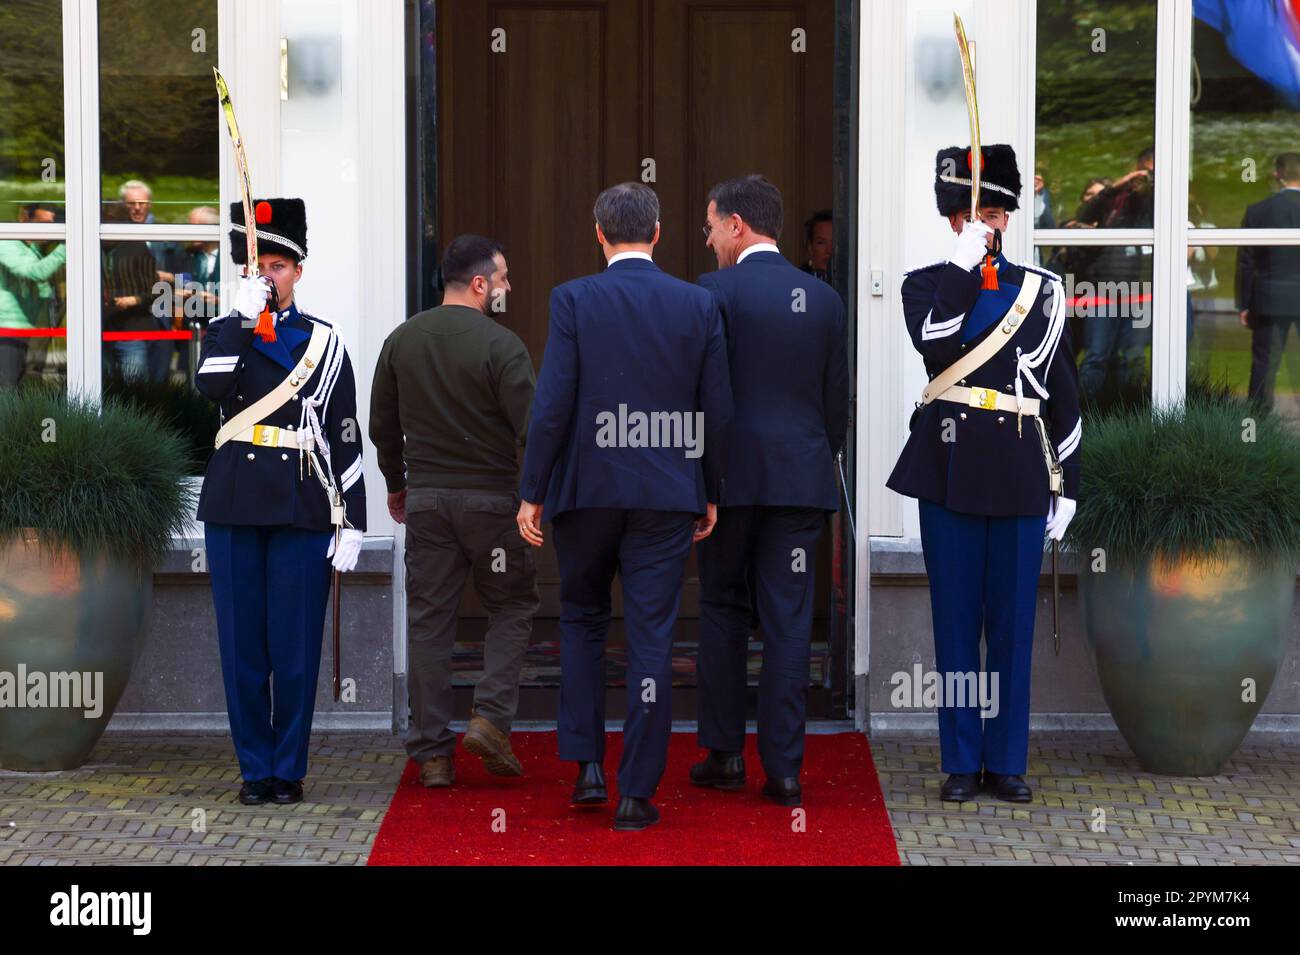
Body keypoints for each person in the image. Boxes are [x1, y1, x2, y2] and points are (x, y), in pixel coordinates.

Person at [516, 182, 732, 830]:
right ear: (659, 233)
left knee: (581, 621)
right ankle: (636, 792)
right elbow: (716, 411)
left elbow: (552, 402)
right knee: (652, 643)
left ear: (599, 234)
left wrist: (532, 489)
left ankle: (586, 767)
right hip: (667, 495)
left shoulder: (574, 299)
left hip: (586, 492)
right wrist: (711, 489)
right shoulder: (698, 303)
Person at [886, 144, 1082, 804]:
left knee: (1011, 625)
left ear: (1009, 215)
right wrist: (965, 271)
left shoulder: (1045, 291)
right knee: (956, 623)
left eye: (995, 212)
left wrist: (1071, 484)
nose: (987, 224)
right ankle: (962, 760)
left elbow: (1063, 390)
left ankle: (1006, 760)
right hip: (950, 467)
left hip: (1023, 469)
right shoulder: (926, 284)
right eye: (974, 213)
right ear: (953, 220)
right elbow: (936, 343)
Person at [195, 197, 367, 806]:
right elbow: (209, 389)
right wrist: (240, 324)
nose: (269, 275)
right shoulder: (224, 331)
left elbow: (345, 429)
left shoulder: (324, 341)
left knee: (294, 647)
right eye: (259, 266)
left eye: (279, 265)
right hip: (236, 501)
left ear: (298, 270)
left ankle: (288, 769)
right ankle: (253, 769)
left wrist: (352, 518)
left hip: (301, 502)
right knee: (242, 647)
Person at [690, 175, 848, 807]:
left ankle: (724, 755)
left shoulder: (712, 293)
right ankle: (784, 771)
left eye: (709, 227)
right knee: (787, 623)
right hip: (800, 481)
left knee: (724, 611)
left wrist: (701, 476)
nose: (707, 241)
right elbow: (836, 404)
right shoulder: (824, 300)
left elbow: (703, 396)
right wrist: (815, 458)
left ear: (737, 226)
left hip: (728, 483)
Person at [369, 234, 540, 788]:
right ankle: (489, 718)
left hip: (429, 504)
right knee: (511, 605)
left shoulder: (401, 341)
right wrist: (535, 496)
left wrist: (398, 484)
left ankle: (434, 755)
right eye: (504, 278)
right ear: (479, 284)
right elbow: (532, 430)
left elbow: (381, 427)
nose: (509, 288)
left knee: (429, 622)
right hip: (491, 505)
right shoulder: (502, 345)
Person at [1237, 152, 1300, 413]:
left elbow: (1246, 261)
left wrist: (1244, 302)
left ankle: (1258, 423)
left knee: (1265, 361)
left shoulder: (1258, 211)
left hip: (1269, 296)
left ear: (1277, 175)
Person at [0, 203, 66, 389]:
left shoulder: (34, 249)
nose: (49, 230)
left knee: (18, 386)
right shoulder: (6, 243)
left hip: (27, 331)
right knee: (6, 389)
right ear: (25, 219)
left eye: (53, 225)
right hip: (7, 332)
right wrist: (66, 246)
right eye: (43, 223)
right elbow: (34, 272)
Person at [801, 208, 833, 283]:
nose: (829, 250)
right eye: (821, 243)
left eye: (834, 243)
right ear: (810, 248)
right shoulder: (798, 281)